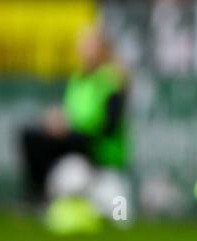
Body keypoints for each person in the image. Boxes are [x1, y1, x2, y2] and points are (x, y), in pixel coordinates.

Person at [20, 25, 128, 205]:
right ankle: (38, 197)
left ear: (102, 49)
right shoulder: (78, 78)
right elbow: (70, 111)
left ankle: (51, 195)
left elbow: (108, 125)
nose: (84, 51)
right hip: (76, 138)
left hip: (96, 145)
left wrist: (72, 127)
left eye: (89, 46)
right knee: (31, 136)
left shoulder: (111, 79)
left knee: (61, 142)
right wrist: (58, 120)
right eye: (82, 46)